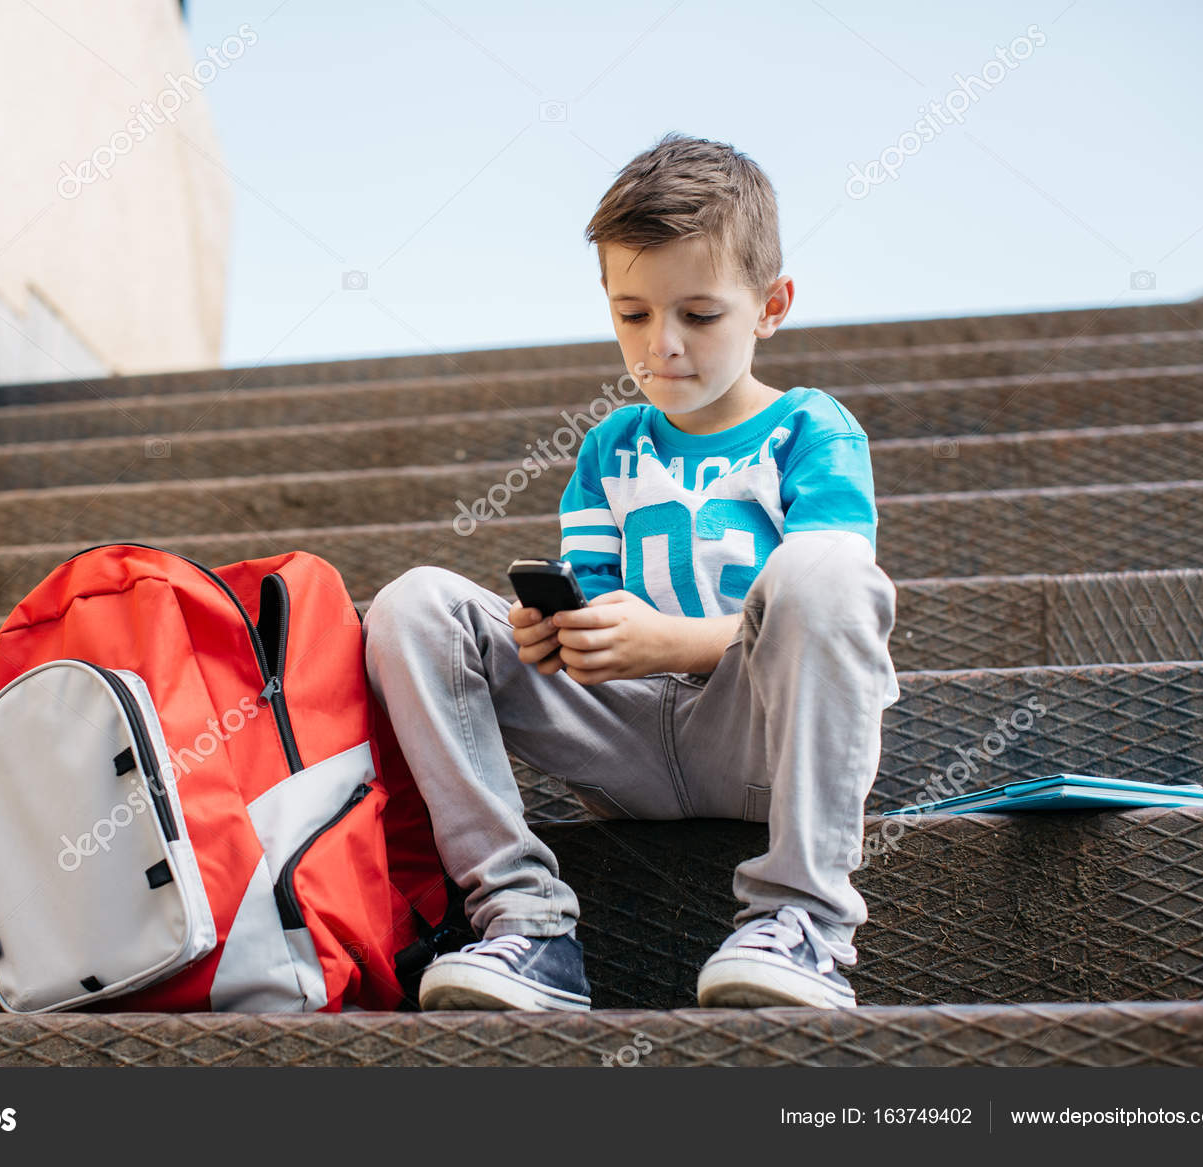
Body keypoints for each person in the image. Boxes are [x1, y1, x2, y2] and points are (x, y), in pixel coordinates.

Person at [363, 132, 899, 1011]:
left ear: (771, 306)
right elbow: (597, 598)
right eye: (634, 314)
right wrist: (558, 634)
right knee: (412, 603)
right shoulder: (610, 447)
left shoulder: (812, 429)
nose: (664, 345)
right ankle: (524, 923)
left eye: (699, 313)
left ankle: (805, 922)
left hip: (755, 731)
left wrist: (674, 641)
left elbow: (837, 609)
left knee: (823, 573)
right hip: (626, 743)